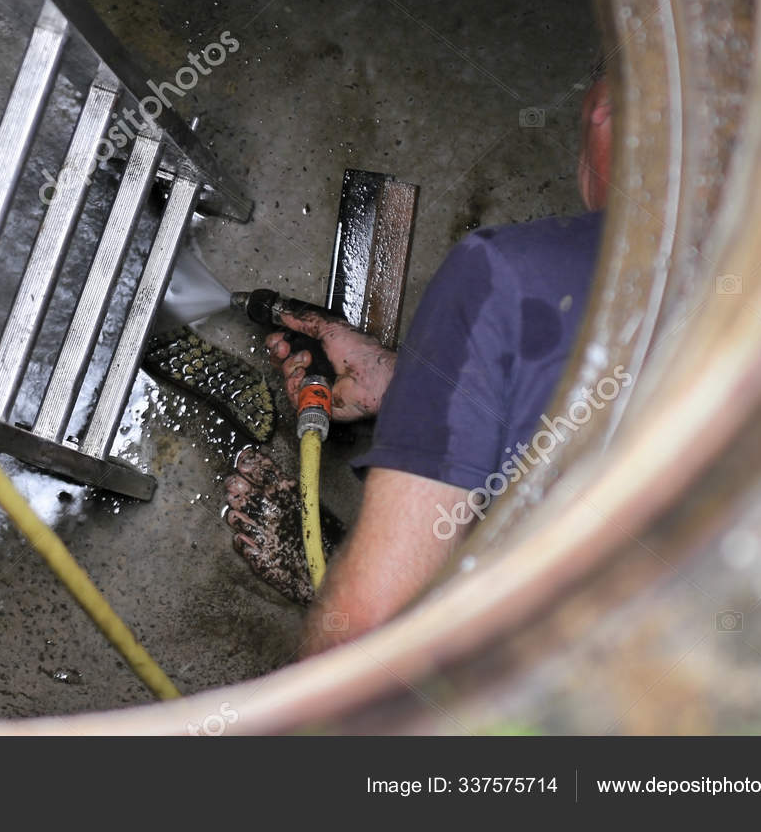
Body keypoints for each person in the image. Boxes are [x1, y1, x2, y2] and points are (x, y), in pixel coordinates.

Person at [223, 78, 613, 654]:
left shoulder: (506, 273)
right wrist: (417, 390)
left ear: (602, 111)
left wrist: (351, 590)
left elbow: (361, 637)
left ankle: (355, 575)